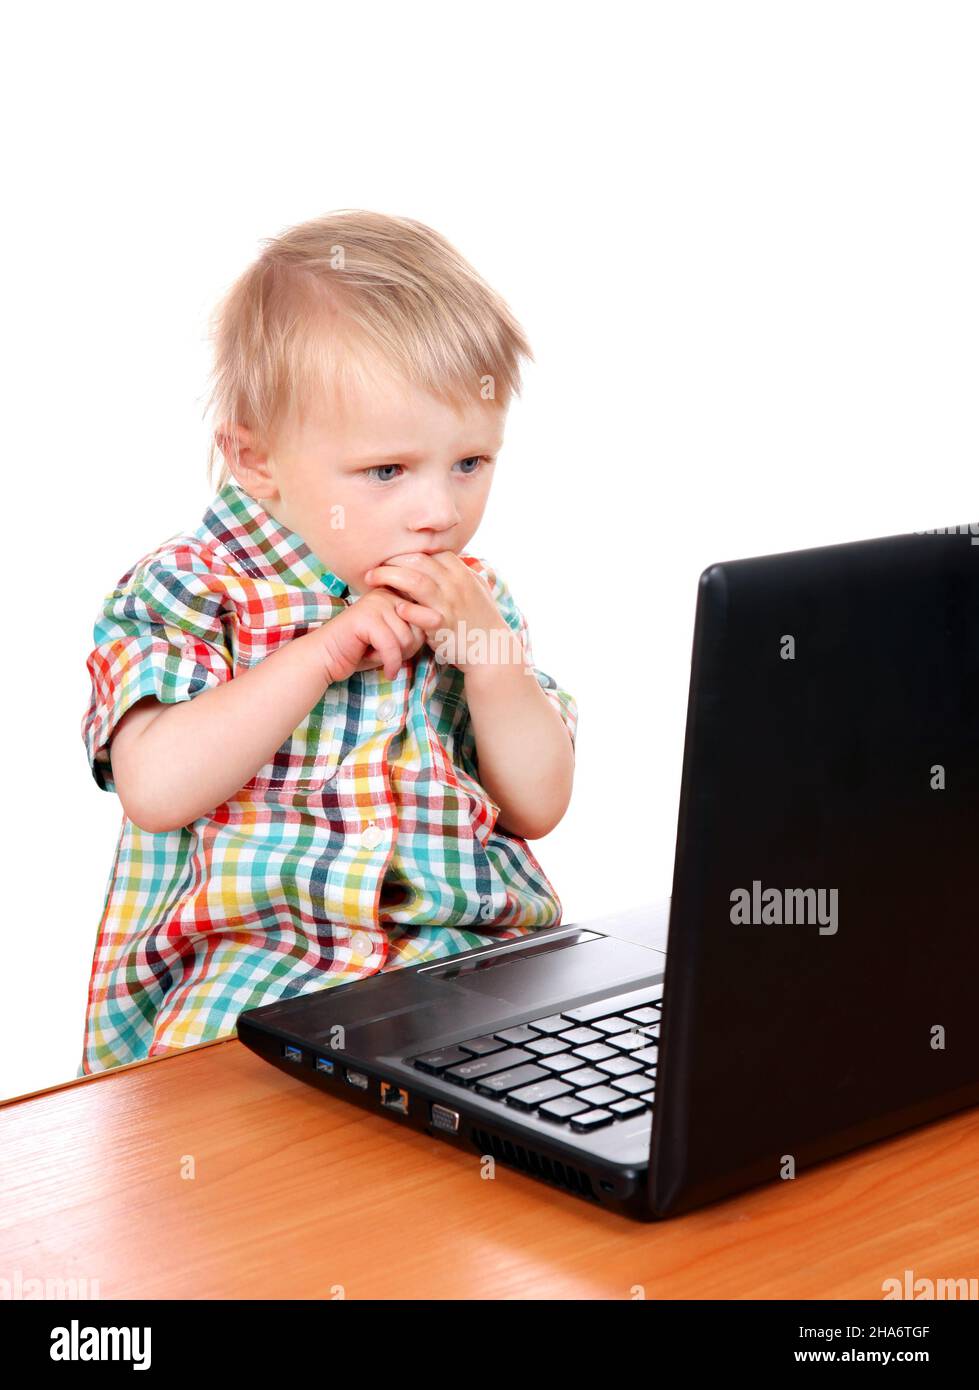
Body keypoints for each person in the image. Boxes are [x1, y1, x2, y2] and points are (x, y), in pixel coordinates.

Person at [77, 209, 578, 1075]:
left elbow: (537, 804)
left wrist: (490, 661)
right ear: (257, 458)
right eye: (387, 471)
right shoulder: (195, 589)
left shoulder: (472, 600)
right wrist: (322, 651)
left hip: (463, 962)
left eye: (469, 463)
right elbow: (153, 786)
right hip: (255, 981)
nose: (439, 511)